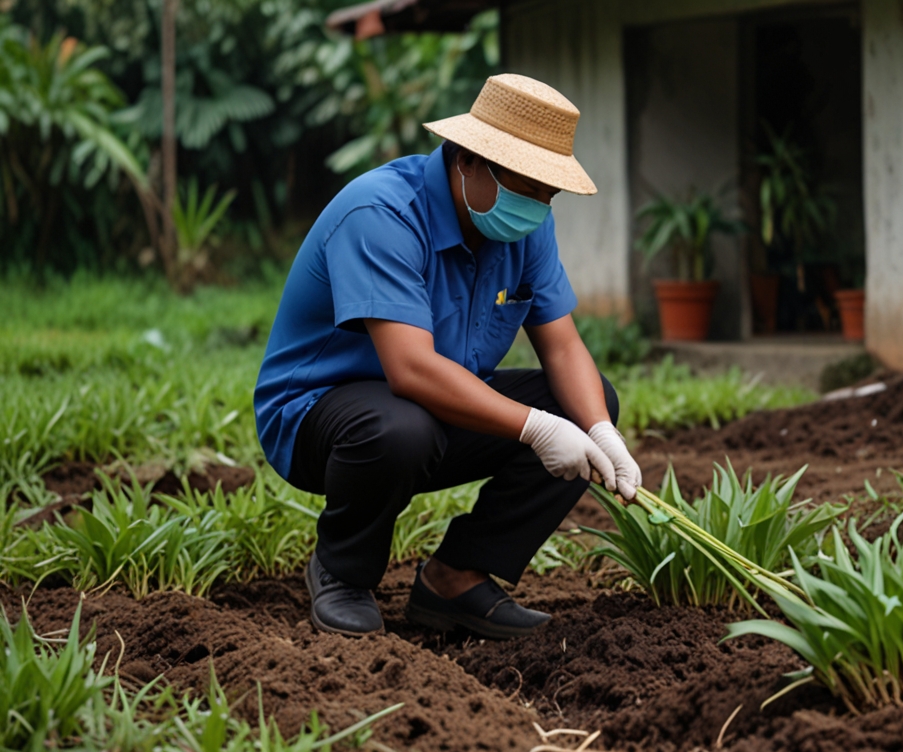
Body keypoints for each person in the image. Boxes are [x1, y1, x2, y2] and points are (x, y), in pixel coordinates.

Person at [253, 74, 640, 640]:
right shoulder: (382, 212)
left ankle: (455, 579)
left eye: (547, 194)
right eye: (526, 188)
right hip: (323, 415)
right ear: (467, 159)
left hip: (438, 407)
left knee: (587, 401)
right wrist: (536, 429)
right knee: (400, 425)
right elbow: (409, 369)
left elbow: (561, 344)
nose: (536, 208)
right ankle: (341, 571)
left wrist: (600, 431)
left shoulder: (523, 229)